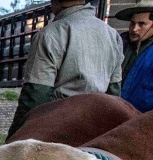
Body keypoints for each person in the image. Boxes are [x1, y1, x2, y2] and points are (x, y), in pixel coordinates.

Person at [7, 0, 123, 137]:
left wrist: (16, 135)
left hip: (59, 125)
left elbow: (36, 94)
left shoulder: (50, 34)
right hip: (96, 125)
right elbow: (114, 91)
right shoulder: (113, 35)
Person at [117, 0, 153, 112]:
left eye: (141, 24)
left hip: (144, 116)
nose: (134, 29)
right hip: (116, 111)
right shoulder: (120, 43)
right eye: (132, 23)